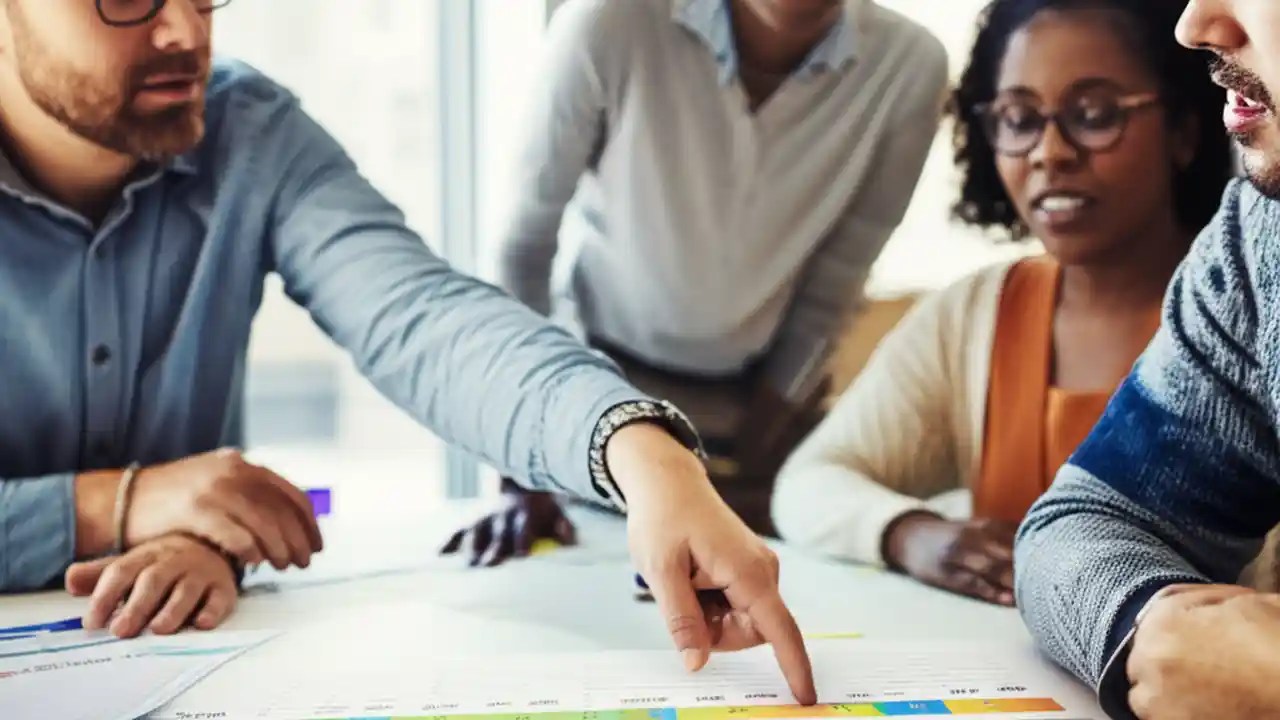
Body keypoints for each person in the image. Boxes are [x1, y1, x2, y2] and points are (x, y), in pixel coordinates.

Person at [0, 0, 817, 702]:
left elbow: (425, 320)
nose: (183, 27)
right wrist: (119, 506)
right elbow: (144, 501)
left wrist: (643, 455)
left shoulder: (250, 131)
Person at [445, 0, 949, 565]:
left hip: (761, 409)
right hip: (594, 389)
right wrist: (524, 460)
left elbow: (841, 272)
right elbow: (524, 249)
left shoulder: (909, 65)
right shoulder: (610, 21)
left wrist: (764, 450)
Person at [770, 0, 1231, 609]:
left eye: (1094, 114)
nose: (1050, 153)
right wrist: (911, 535)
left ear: (1184, 129)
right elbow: (808, 482)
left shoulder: (1246, 318)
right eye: (1018, 119)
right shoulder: (974, 315)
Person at [1013, 0, 1280, 717]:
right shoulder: (1260, 240)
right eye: (1016, 118)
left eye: (1097, 112)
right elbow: (1087, 521)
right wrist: (1152, 622)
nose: (1196, 24)